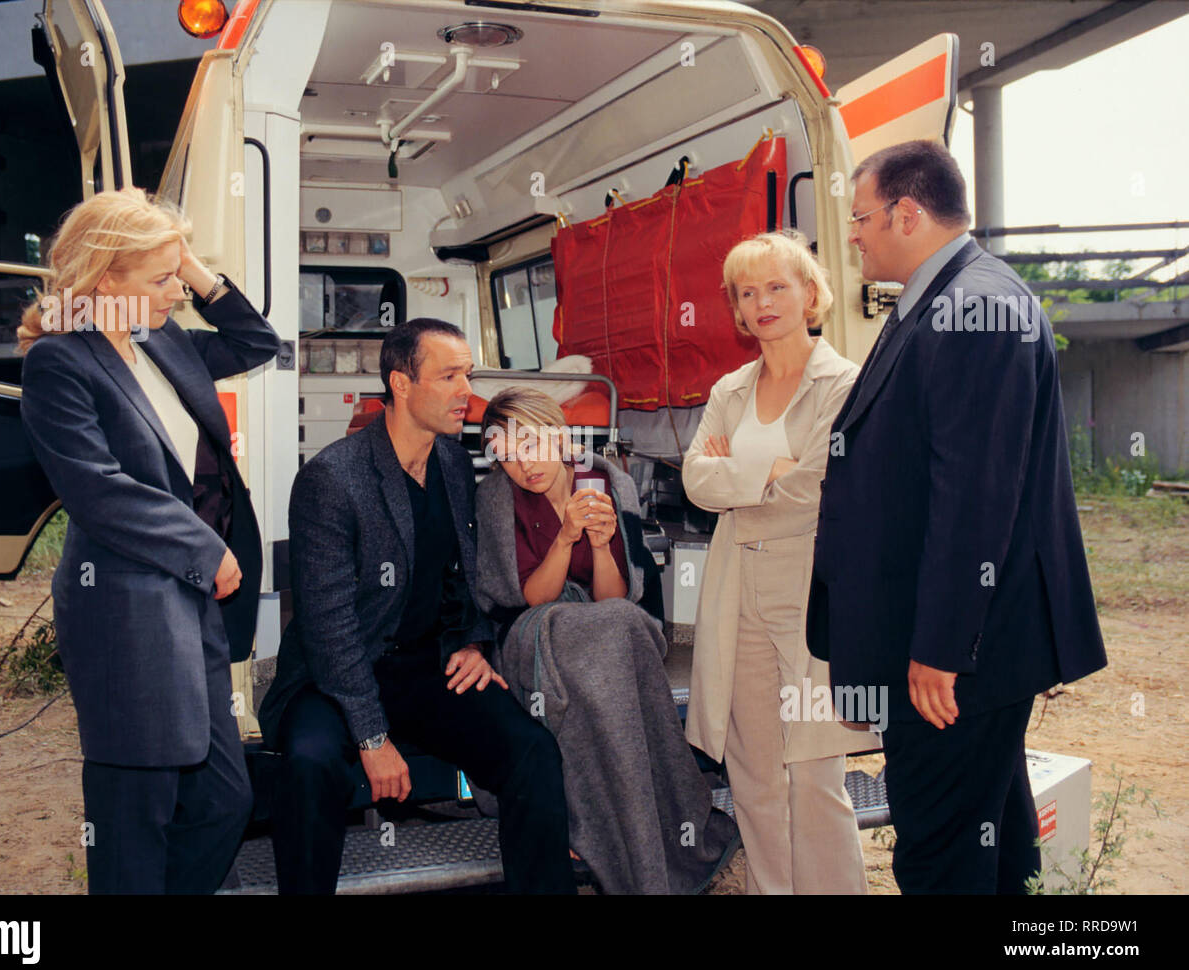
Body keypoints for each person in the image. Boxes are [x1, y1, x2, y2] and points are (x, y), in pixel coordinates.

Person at [806, 140, 1107, 894]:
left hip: (954, 657)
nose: (853, 234)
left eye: (862, 217)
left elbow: (975, 496)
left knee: (940, 854)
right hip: (960, 648)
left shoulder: (975, 307)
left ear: (907, 214)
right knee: (993, 841)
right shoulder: (942, 298)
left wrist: (941, 649)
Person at [17, 188, 282, 893]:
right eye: (160, 278)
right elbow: (98, 490)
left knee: (225, 799)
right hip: (126, 611)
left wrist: (191, 265)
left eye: (178, 277)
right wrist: (205, 549)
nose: (177, 291)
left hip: (195, 606)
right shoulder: (59, 363)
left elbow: (259, 342)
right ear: (106, 279)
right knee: (136, 816)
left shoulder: (164, 341)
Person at [257, 319, 576, 895]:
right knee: (308, 765)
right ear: (401, 385)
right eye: (450, 376)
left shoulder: (453, 464)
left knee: (531, 751)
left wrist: (472, 642)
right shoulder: (332, 478)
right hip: (334, 677)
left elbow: (462, 576)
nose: (466, 391)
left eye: (468, 375)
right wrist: (373, 739)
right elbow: (330, 628)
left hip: (426, 668)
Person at [474, 388, 739, 894]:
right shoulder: (495, 498)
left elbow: (616, 597)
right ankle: (637, 829)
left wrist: (599, 544)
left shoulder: (606, 480)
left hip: (599, 627)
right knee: (612, 639)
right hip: (537, 632)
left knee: (616, 633)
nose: (523, 465)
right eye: (506, 456)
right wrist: (565, 537)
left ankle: (609, 824)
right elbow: (530, 599)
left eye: (531, 445)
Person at [682, 230, 880, 895]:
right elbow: (695, 482)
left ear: (810, 293)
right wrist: (770, 469)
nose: (762, 302)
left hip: (810, 590)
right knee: (755, 772)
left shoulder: (845, 384)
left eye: (776, 286)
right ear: (737, 308)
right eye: (747, 292)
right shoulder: (729, 389)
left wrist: (739, 480)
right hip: (735, 589)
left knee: (817, 772)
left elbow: (822, 490)